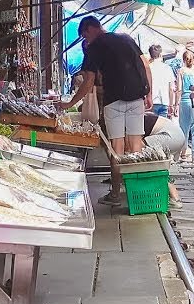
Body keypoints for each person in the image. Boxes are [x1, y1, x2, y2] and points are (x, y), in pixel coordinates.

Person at [61, 16, 152, 204]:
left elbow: (88, 82)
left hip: (114, 101)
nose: (86, 40)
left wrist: (70, 103)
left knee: (116, 148)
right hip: (137, 97)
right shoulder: (126, 38)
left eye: (84, 36)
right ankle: (135, 194)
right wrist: (148, 92)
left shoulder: (94, 47)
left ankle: (116, 194)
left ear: (89, 29)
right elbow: (145, 65)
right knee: (135, 145)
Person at [143, 112, 187, 209]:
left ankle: (174, 197)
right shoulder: (144, 116)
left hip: (170, 137)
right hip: (176, 135)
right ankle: (173, 196)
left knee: (148, 156)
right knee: (156, 163)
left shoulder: (138, 121)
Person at [177, 49, 194, 162]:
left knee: (183, 128)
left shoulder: (181, 71)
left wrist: (176, 104)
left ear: (183, 60)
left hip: (185, 100)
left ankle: (183, 151)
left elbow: (179, 89)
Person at [148, 44, 176, 118]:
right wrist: (171, 104)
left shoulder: (148, 68)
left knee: (152, 127)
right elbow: (171, 89)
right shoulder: (167, 68)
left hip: (151, 101)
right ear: (160, 54)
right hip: (164, 102)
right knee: (162, 127)